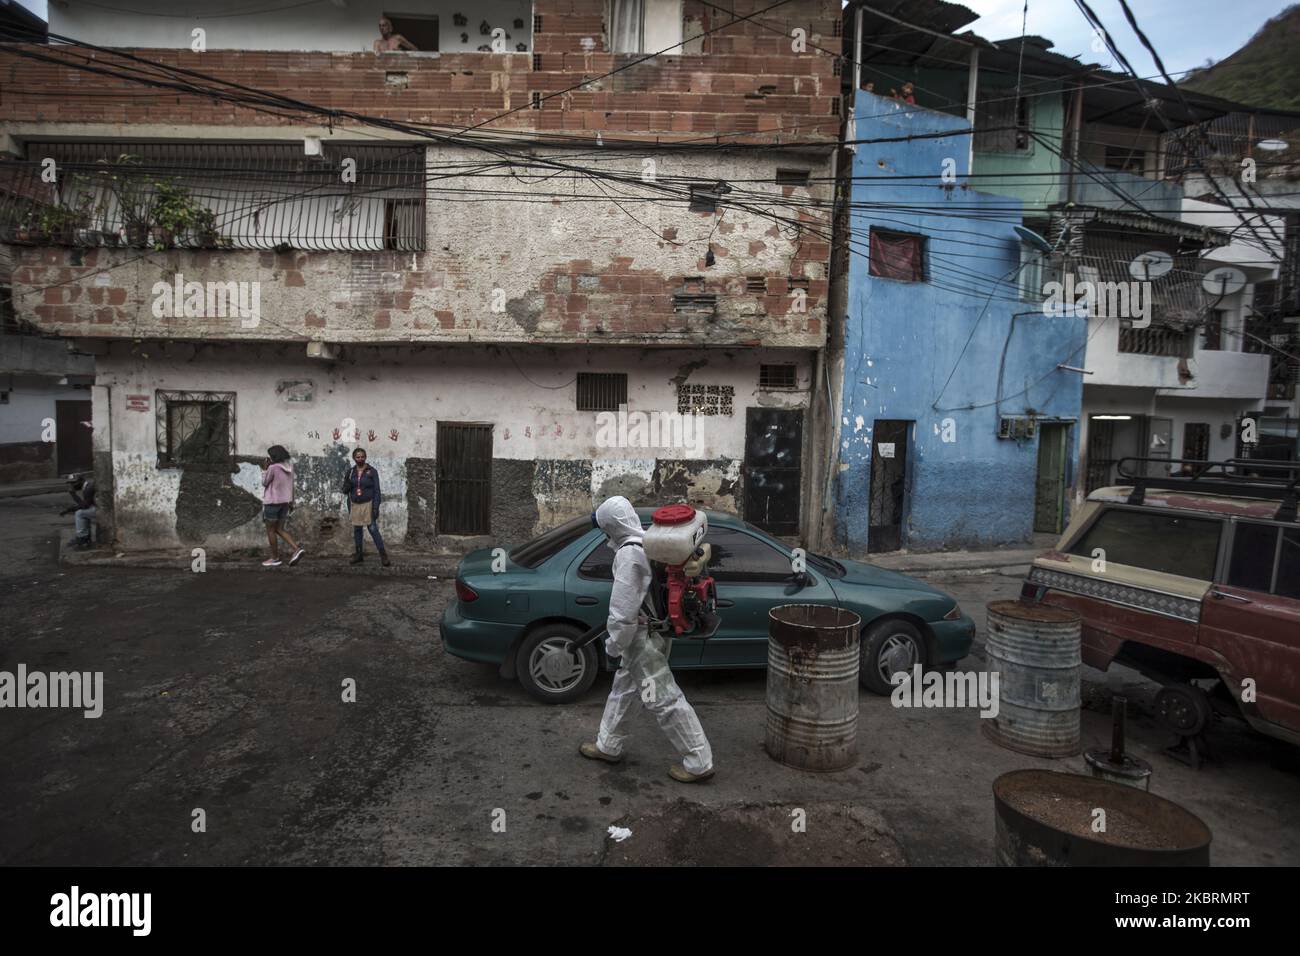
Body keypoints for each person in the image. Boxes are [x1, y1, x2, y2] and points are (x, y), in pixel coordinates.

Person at [578, 495, 715, 783]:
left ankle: (698, 761)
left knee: (663, 698)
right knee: (625, 690)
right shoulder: (648, 543)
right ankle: (609, 745)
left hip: (640, 639)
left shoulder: (628, 554)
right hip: (654, 633)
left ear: (612, 527)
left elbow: (623, 612)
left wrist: (613, 645)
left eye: (604, 528)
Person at [341, 447, 390, 567]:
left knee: (373, 529)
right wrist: (346, 486)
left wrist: (376, 506)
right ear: (354, 458)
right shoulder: (351, 472)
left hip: (368, 504)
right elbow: (344, 489)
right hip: (354, 504)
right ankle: (359, 555)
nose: (360, 459)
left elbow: (377, 490)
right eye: (358, 457)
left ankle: (383, 555)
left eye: (362, 456)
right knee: (357, 530)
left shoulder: (372, 471)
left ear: (365, 457)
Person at [261, 445, 304, 568]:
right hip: (285, 503)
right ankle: (296, 549)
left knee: (270, 530)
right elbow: (291, 486)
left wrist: (265, 469)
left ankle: (275, 558)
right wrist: (291, 501)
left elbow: (264, 483)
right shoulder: (290, 466)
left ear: (273, 456)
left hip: (272, 503)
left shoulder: (273, 468)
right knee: (279, 529)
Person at [62, 473, 96, 550]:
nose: (72, 486)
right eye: (70, 483)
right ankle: (85, 537)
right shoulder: (86, 486)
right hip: (95, 507)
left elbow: (84, 506)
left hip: (101, 511)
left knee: (80, 513)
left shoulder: (88, 488)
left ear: (81, 481)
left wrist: (73, 494)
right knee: (82, 512)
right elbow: (84, 504)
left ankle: (82, 537)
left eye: (73, 483)